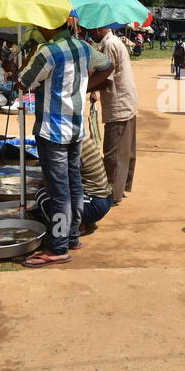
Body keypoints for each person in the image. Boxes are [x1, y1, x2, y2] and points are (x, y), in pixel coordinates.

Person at [17, 23, 113, 267]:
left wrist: (32, 49)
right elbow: (107, 66)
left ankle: (58, 247)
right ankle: (71, 236)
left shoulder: (47, 52)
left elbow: (22, 82)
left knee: (58, 191)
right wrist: (83, 89)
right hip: (76, 130)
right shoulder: (83, 47)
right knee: (74, 186)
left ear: (46, 27)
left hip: (52, 132)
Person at [34, 110, 114, 235]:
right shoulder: (81, 137)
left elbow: (58, 180)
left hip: (95, 203)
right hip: (105, 198)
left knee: (43, 196)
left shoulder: (69, 145)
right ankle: (83, 222)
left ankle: (64, 231)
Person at [90, 26, 139, 204]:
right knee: (125, 150)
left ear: (99, 28)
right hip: (126, 102)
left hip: (119, 104)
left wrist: (84, 88)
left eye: (90, 30)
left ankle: (112, 193)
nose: (90, 34)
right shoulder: (114, 42)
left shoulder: (109, 45)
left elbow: (105, 76)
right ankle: (120, 188)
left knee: (113, 152)